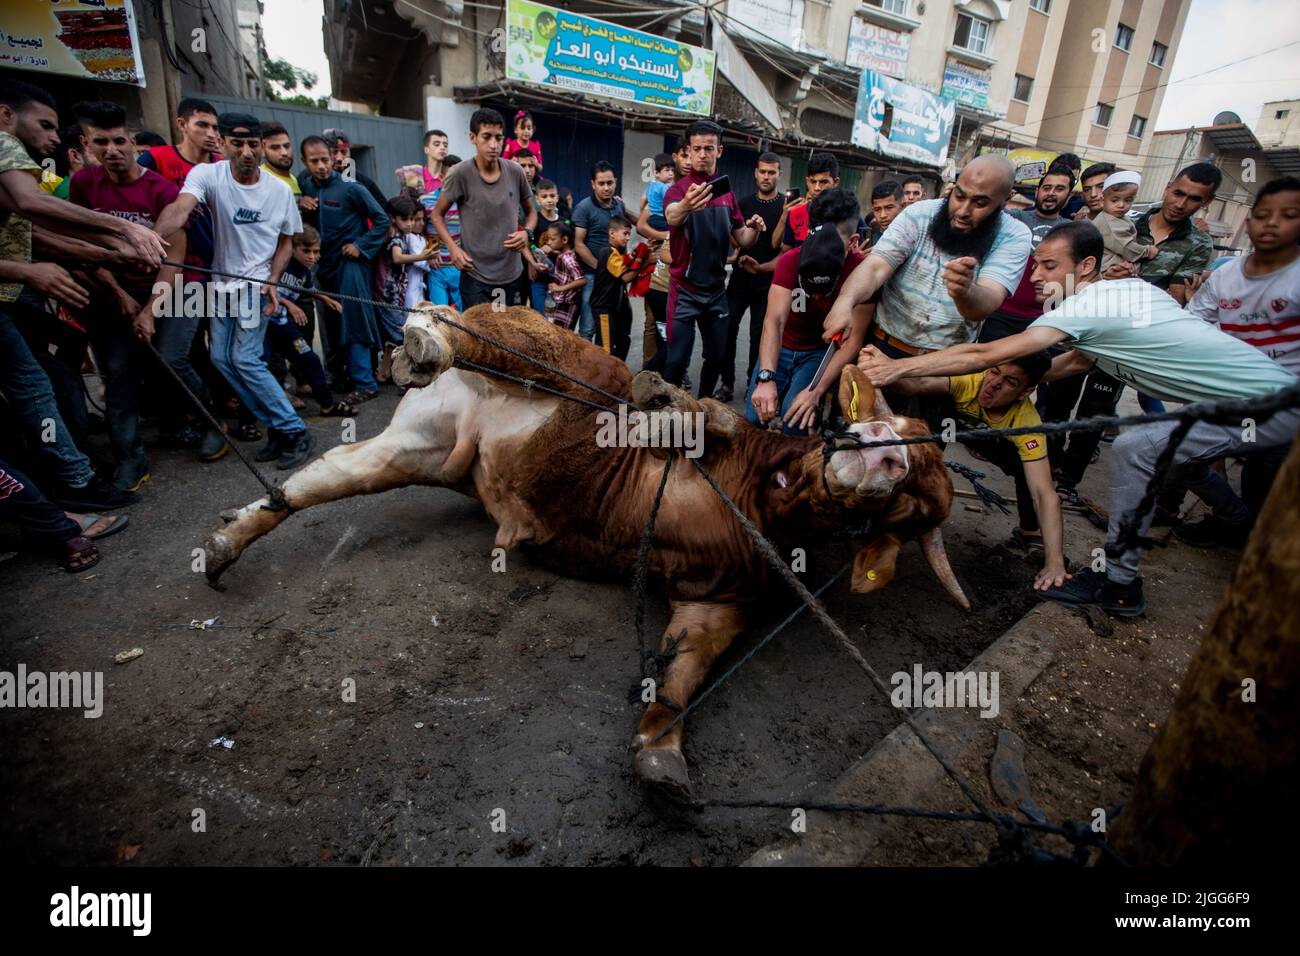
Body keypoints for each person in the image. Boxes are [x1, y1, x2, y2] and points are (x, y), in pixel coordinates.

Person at [858, 220, 1300, 616]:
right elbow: (1067, 365)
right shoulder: (1125, 294)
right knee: (1182, 454)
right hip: (1260, 403)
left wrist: (898, 367)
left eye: (1049, 266)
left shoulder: (1091, 305)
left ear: (1086, 266)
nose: (1036, 277)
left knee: (1135, 447)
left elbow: (985, 352)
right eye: (1035, 265)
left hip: (1269, 404)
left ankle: (1120, 584)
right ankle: (1235, 517)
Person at [0, 80, 164, 511]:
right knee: (49, 386)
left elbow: (35, 235)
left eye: (119, 140)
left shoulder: (157, 186)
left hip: (17, 296)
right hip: (52, 295)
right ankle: (76, 477)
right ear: (5, 115)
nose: (55, 137)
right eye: (46, 125)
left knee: (55, 371)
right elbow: (33, 208)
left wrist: (110, 254)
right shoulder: (12, 150)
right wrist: (122, 233)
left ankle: (69, 465)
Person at [821, 155, 1031, 430]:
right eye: (959, 195)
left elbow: (985, 304)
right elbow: (875, 267)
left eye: (980, 203)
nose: (963, 211)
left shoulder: (1015, 236)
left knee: (920, 457)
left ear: (1004, 201)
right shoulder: (919, 214)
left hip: (942, 369)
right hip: (882, 349)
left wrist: (965, 291)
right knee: (854, 443)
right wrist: (844, 302)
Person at [152, 112, 313, 471]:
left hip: (254, 289)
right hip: (220, 285)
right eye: (237, 144)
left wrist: (272, 281)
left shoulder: (280, 191)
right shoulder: (207, 175)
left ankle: (296, 431)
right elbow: (181, 207)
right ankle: (276, 428)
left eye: (252, 144)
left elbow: (287, 242)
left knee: (245, 359)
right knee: (221, 360)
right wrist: (152, 237)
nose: (246, 151)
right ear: (222, 144)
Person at [68, 102, 194, 490]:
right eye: (100, 142)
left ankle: (190, 425)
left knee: (170, 363)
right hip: (110, 291)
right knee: (119, 373)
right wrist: (119, 294)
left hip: (163, 290)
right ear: (87, 144)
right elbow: (79, 246)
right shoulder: (84, 185)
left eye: (119, 140)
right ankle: (130, 458)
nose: (111, 150)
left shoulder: (161, 188)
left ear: (133, 142)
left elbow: (173, 260)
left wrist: (149, 311)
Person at [1174, 176, 1300, 545]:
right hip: (1229, 396)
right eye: (1263, 215)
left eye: (1287, 215)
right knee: (1181, 456)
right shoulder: (1226, 273)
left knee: (1265, 480)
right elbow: (1196, 323)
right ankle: (1233, 521)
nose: (1272, 224)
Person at [882, 352, 1067, 586]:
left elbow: (1044, 493)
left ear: (1025, 393)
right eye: (995, 371)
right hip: (949, 422)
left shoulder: (1027, 423)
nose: (993, 384)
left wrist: (1055, 563)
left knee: (1032, 468)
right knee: (928, 406)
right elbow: (919, 382)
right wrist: (885, 369)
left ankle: (1029, 532)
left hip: (995, 439)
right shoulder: (971, 380)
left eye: (1010, 382)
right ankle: (900, 503)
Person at [746, 189, 872, 435]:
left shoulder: (863, 272)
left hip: (817, 354)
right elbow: (774, 322)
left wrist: (816, 390)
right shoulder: (789, 261)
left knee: (796, 423)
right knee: (753, 418)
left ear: (853, 241)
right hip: (782, 347)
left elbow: (852, 341)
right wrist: (765, 378)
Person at [661, 120, 769, 393]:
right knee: (675, 362)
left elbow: (741, 238)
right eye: (696, 149)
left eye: (708, 148)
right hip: (684, 291)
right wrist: (687, 204)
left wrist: (754, 229)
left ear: (719, 151)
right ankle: (664, 414)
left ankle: (701, 409)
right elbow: (671, 215)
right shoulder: (678, 190)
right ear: (688, 151)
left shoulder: (727, 194)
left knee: (717, 357)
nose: (702, 154)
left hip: (715, 293)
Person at [299, 134, 390, 402]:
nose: (322, 166)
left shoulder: (352, 188)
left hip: (352, 265)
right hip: (323, 266)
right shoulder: (306, 186)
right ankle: (338, 377)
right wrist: (300, 202)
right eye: (314, 161)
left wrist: (361, 246)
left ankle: (365, 382)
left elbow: (382, 220)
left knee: (355, 320)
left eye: (325, 160)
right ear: (305, 161)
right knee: (330, 322)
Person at [430, 109, 537, 310]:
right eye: (486, 137)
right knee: (480, 337)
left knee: (508, 336)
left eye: (498, 138)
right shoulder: (459, 174)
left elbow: (531, 212)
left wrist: (527, 234)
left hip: (511, 275)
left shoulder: (515, 172)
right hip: (475, 276)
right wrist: (453, 249)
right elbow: (437, 215)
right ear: (473, 137)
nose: (494, 145)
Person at [711, 151, 785, 403]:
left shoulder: (786, 206)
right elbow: (734, 233)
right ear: (756, 173)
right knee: (727, 330)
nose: (766, 177)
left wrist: (763, 266)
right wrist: (739, 251)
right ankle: (727, 383)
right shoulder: (742, 203)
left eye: (771, 172)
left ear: (779, 174)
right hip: (740, 280)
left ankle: (756, 384)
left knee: (759, 335)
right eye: (762, 171)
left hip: (769, 283)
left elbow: (786, 249)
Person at [977, 163, 1073, 343]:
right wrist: (1003, 189)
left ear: (1069, 195)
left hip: (1042, 319)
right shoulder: (1013, 220)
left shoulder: (1071, 230)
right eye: (1046, 188)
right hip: (1000, 314)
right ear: (1037, 191)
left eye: (1059, 189)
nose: (1051, 193)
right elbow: (983, 214)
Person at [264, 225, 353, 417]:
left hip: (282, 325)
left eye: (315, 252)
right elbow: (266, 288)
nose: (312, 257)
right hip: (264, 326)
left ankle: (327, 404)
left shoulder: (304, 271)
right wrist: (290, 305)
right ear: (293, 248)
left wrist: (326, 299)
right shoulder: (281, 264)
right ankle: (252, 419)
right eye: (306, 251)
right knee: (263, 366)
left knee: (310, 359)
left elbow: (309, 289)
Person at [1132, 162, 1220, 304]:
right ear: (1168, 188)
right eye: (1178, 193)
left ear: (1207, 201)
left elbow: (1175, 300)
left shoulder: (1200, 243)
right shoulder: (1126, 224)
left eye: (1194, 198)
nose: (1180, 205)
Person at [375, 193, 436, 379]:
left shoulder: (400, 235)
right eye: (405, 219)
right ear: (393, 218)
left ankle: (384, 373)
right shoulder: (396, 239)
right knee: (403, 336)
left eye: (412, 219)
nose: (410, 223)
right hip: (388, 295)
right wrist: (423, 257)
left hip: (394, 295)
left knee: (393, 338)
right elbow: (397, 258)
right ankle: (406, 375)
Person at [572, 160, 627, 340]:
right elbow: (578, 244)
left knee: (610, 325)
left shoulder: (619, 206)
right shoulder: (584, 208)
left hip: (615, 278)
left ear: (615, 182)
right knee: (588, 327)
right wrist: (601, 267)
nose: (606, 188)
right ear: (593, 184)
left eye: (610, 183)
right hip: (592, 276)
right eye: (601, 183)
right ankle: (583, 367)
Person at [590, 216, 639, 359]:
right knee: (606, 349)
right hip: (604, 309)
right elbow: (625, 277)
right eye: (625, 233)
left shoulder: (616, 252)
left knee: (621, 342)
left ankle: (617, 376)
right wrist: (643, 261)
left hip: (614, 309)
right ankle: (604, 380)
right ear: (612, 233)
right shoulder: (608, 252)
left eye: (629, 234)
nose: (628, 238)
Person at [772, 151, 839, 252]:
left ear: (836, 182)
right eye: (813, 182)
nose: (817, 188)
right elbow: (785, 254)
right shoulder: (795, 213)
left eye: (823, 182)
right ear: (807, 181)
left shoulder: (849, 215)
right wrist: (759, 268)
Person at [1093, 171, 1156, 272]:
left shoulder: (1118, 217)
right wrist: (1147, 251)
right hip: (1109, 270)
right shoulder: (1109, 223)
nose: (1121, 205)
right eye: (1114, 200)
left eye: (1128, 200)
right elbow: (1126, 248)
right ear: (1102, 200)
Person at [319, 128, 387, 210]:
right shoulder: (308, 180)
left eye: (344, 152)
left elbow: (384, 211)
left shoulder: (363, 182)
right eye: (334, 152)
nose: (339, 158)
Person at [537, 221, 585, 330]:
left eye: (552, 239)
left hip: (568, 303)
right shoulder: (561, 255)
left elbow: (582, 280)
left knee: (563, 334)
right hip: (561, 301)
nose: (549, 242)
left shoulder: (567, 258)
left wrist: (560, 288)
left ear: (564, 240)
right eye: (548, 239)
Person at [637, 152, 675, 242]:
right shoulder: (664, 187)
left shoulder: (651, 185)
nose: (671, 173)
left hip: (651, 218)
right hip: (661, 219)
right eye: (667, 170)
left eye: (672, 170)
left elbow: (643, 200)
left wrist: (641, 211)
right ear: (656, 173)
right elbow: (670, 201)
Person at [259, 121, 301, 197]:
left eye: (286, 146)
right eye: (275, 148)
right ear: (262, 150)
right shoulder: (261, 180)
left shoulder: (293, 178)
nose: (284, 153)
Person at [866, 179, 905, 247]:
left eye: (889, 207)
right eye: (877, 209)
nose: (882, 215)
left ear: (902, 206)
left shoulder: (913, 239)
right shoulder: (868, 241)